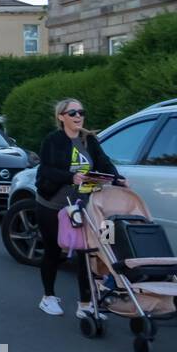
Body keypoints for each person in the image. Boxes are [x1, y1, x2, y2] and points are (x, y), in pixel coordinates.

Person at [35, 98, 126, 319]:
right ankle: (48, 297)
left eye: (81, 112)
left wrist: (118, 178)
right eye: (72, 112)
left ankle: (85, 304)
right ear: (61, 117)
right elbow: (46, 169)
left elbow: (104, 163)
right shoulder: (53, 140)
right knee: (53, 251)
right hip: (53, 204)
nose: (78, 116)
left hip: (85, 205)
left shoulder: (89, 140)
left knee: (87, 252)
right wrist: (70, 176)